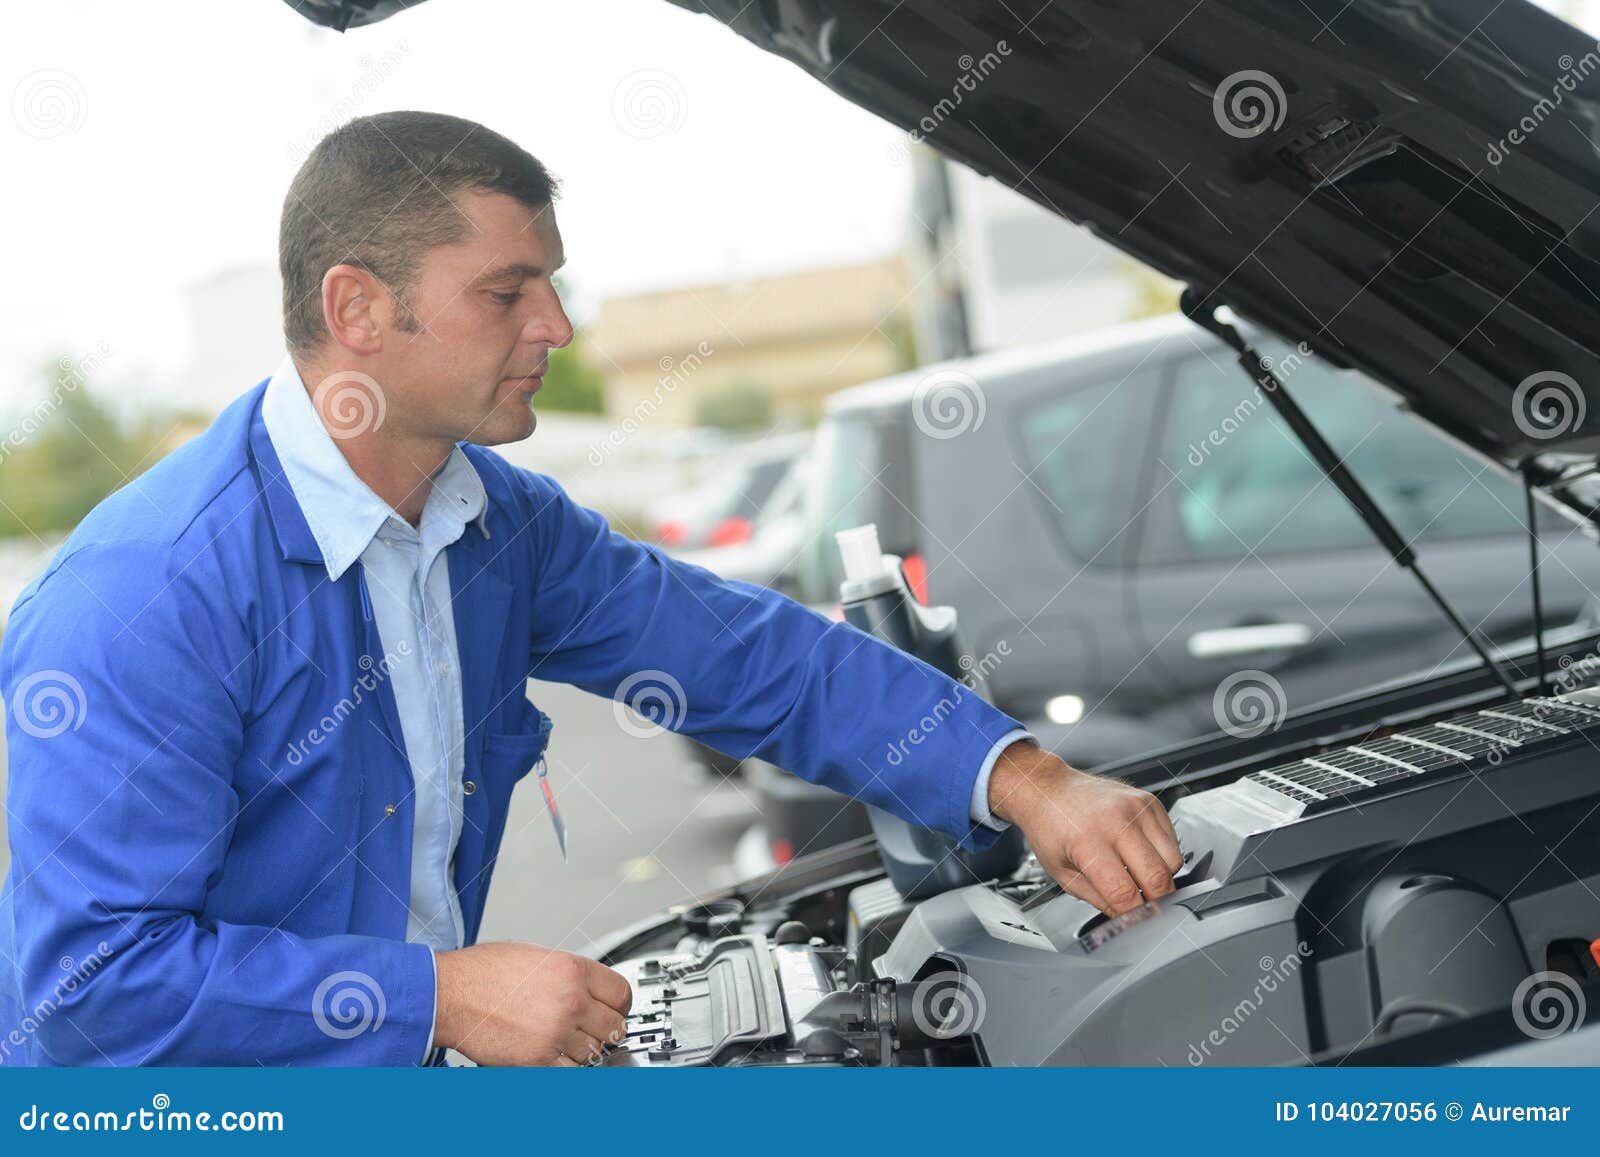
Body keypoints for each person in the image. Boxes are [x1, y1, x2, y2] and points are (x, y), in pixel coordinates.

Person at [0, 111, 1179, 1067]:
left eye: (552, 286)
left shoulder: (496, 524)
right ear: (355, 308)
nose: (556, 327)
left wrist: (1023, 777)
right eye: (505, 293)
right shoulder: (148, 595)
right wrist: (439, 995)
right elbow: (90, 985)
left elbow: (750, 659)